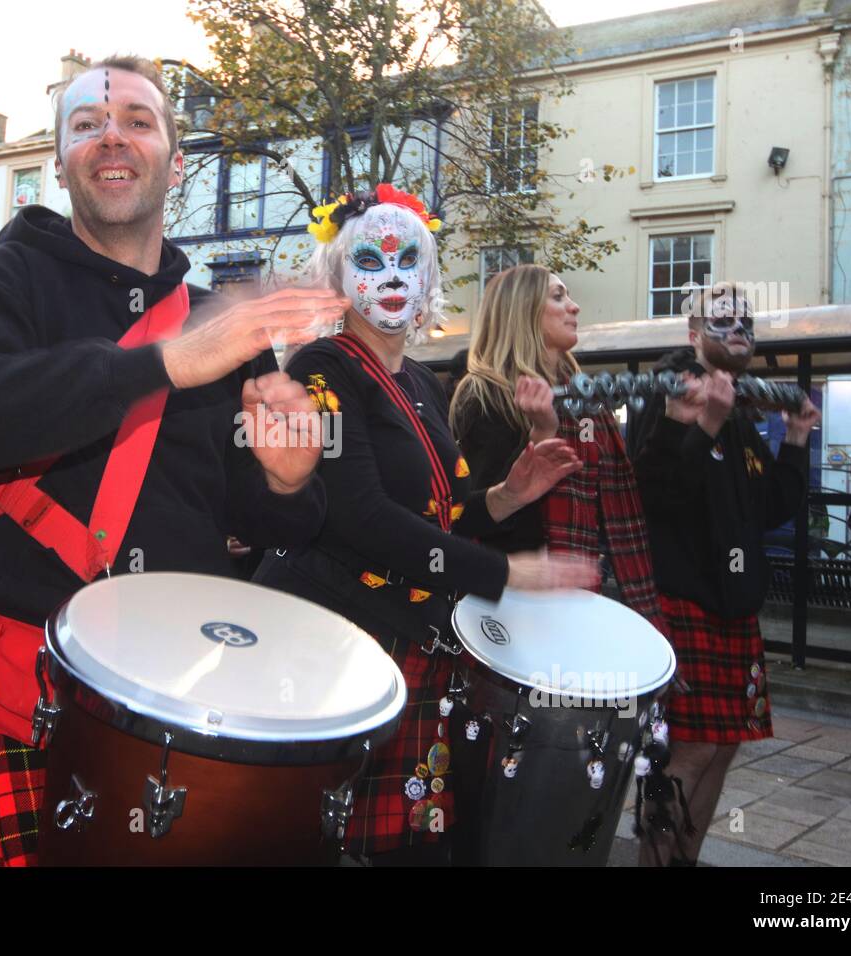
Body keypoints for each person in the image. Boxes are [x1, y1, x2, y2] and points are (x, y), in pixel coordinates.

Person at [0, 55, 339, 867]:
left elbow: (256, 521)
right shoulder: (4, 280)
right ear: (58, 161)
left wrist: (286, 477)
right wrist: (160, 365)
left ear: (177, 161)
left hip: (184, 692)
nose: (111, 138)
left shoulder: (214, 323)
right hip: (20, 688)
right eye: (87, 125)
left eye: (137, 120)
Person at [254, 186, 594, 864]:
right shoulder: (322, 366)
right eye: (370, 260)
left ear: (430, 276)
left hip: (413, 639)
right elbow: (360, 515)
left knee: (412, 845)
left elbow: (445, 511)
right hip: (340, 641)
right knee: (326, 841)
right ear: (339, 277)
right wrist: (506, 572)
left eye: (407, 259)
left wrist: (504, 494)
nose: (389, 277)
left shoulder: (421, 383)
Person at [631, 281, 818, 865]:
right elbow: (656, 497)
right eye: (722, 323)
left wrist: (795, 441)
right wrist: (702, 423)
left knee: (725, 744)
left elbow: (764, 511)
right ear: (693, 335)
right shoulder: (670, 390)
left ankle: (683, 859)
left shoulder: (737, 407)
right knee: (689, 749)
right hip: (682, 601)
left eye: (746, 324)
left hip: (733, 606)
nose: (738, 332)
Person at [450, 264, 664, 628]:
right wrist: (541, 433)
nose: (574, 306)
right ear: (523, 310)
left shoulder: (585, 398)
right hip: (513, 602)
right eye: (558, 296)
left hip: (580, 591)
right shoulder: (486, 393)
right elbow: (469, 515)